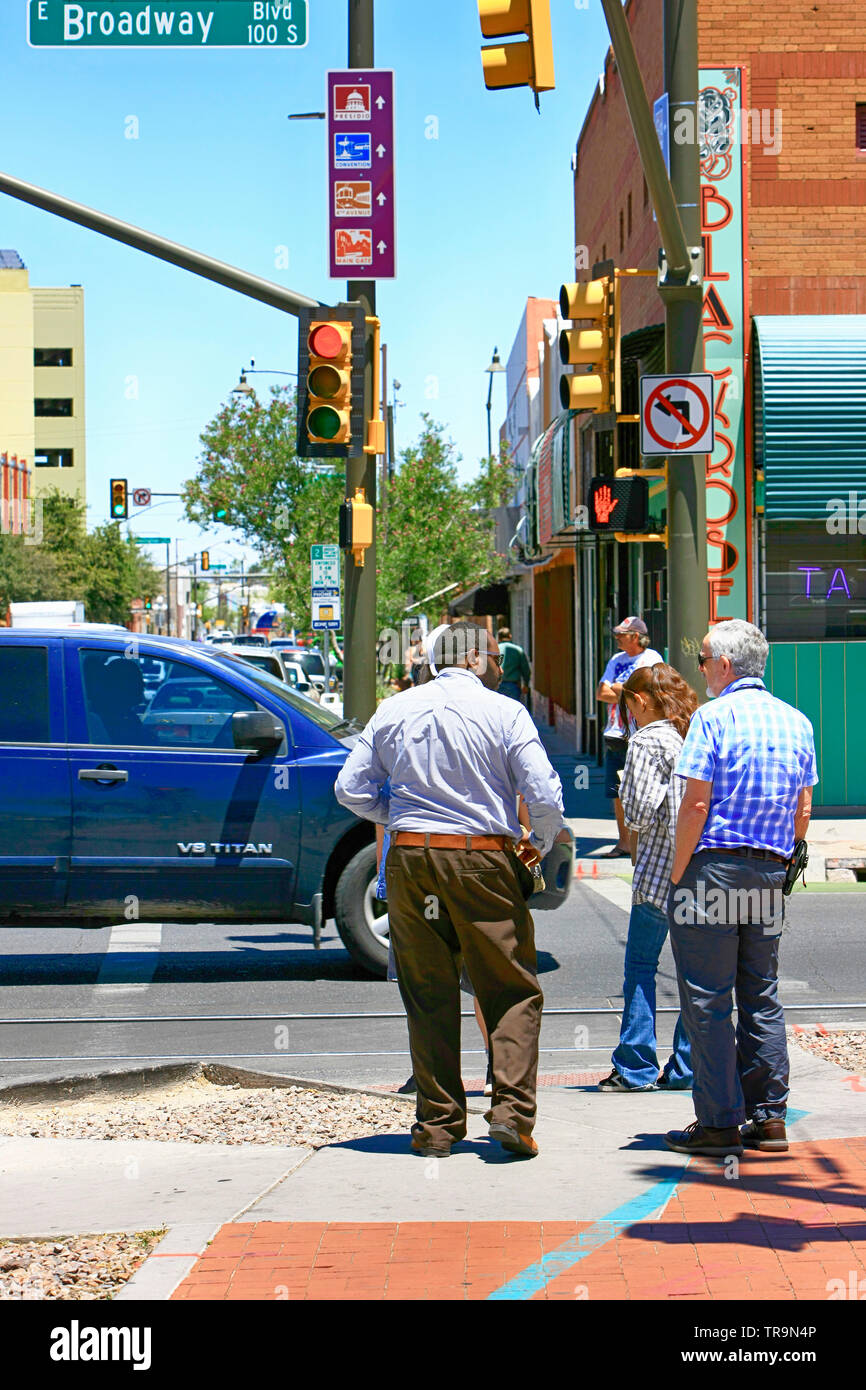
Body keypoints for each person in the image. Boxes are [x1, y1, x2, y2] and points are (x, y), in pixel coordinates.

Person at [335, 620, 564, 1159]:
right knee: (509, 988)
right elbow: (545, 793)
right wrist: (540, 839)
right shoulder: (505, 712)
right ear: (480, 660)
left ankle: (437, 1127)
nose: (503, 670)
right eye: (498, 660)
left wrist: (398, 817)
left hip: (411, 858)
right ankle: (510, 1115)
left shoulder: (394, 709)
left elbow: (349, 788)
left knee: (427, 992)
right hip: (482, 859)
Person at [663, 620, 818, 1158]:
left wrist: (678, 871)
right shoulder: (797, 722)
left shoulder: (711, 717)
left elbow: (696, 805)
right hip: (768, 872)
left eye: (704, 659)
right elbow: (803, 809)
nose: (701, 667)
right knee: (761, 993)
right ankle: (769, 1118)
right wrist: (787, 858)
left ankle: (719, 1120)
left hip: (715, 870)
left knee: (707, 1000)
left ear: (725, 666)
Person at [598, 663, 696, 1093]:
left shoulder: (644, 742)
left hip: (657, 874)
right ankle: (687, 1068)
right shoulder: (689, 737)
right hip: (696, 872)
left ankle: (635, 1066)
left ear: (638, 701)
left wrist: (629, 791)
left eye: (629, 707)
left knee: (641, 967)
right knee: (695, 975)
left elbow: (636, 813)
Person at [596, 617, 663, 857]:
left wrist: (618, 688)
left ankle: (643, 843)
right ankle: (624, 843)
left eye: (622, 634)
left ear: (636, 636)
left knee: (642, 790)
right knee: (617, 791)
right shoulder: (617, 660)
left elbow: (647, 696)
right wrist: (625, 691)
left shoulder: (651, 660)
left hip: (639, 734)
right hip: (615, 733)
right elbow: (601, 692)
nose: (617, 638)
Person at [497, 627, 531, 705]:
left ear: (499, 637)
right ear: (510, 636)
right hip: (513, 686)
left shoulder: (495, 650)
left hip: (497, 685)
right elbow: (526, 670)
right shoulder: (518, 650)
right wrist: (526, 684)